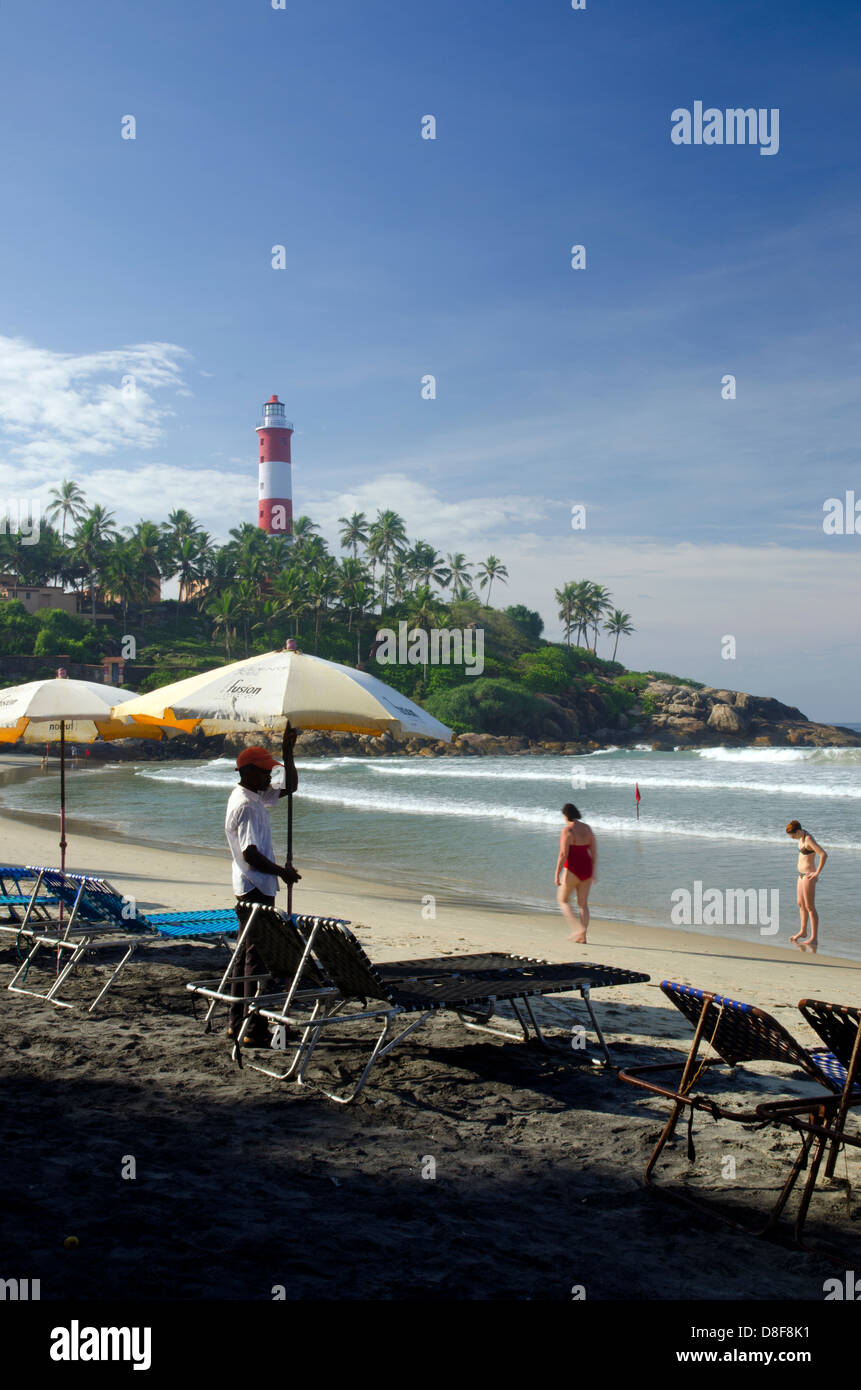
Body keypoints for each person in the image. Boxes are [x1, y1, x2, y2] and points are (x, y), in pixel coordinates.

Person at [224, 732, 301, 1046]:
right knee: (256, 957)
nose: (270, 776)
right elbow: (251, 854)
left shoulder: (249, 795)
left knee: (245, 953)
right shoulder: (248, 805)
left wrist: (288, 752)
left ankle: (237, 1022)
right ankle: (253, 1028)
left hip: (247, 884)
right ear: (247, 772)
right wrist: (283, 872)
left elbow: (290, 787)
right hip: (256, 885)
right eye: (264, 771)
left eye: (270, 770)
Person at [555, 803, 596, 943]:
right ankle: (583, 936)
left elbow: (563, 854)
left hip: (572, 869)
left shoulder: (568, 830)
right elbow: (594, 852)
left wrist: (557, 873)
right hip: (587, 868)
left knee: (562, 900)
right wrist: (593, 872)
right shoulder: (587, 828)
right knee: (583, 904)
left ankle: (578, 929)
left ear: (566, 815)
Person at [786, 819, 827, 953]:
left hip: (808, 876)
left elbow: (823, 854)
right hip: (800, 875)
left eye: (793, 836)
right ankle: (803, 931)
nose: (792, 838)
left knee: (810, 906)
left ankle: (814, 938)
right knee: (800, 904)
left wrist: (817, 872)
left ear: (798, 831)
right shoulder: (801, 837)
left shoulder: (808, 839)